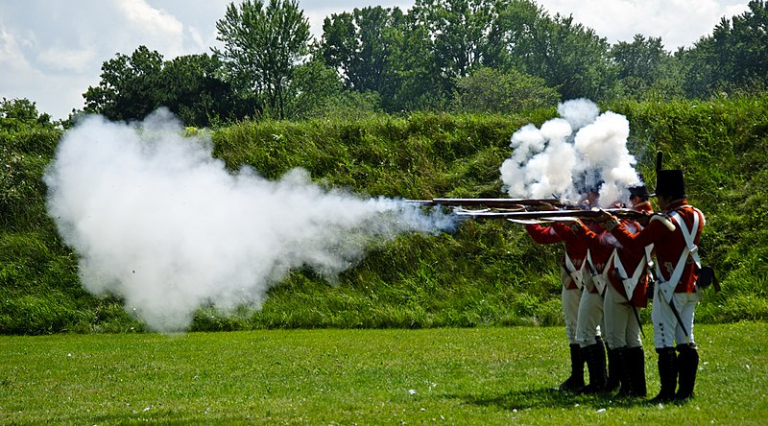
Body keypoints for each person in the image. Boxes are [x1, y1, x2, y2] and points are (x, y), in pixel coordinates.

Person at [599, 162, 705, 402]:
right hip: (689, 285)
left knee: (664, 340)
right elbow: (670, 236)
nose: (657, 202)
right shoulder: (697, 215)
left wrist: (614, 226)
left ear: (666, 197)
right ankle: (685, 392)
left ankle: (667, 393)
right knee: (686, 339)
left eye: (660, 198)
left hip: (669, 285)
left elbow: (636, 247)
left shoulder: (663, 220)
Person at [570, 181, 653, 397]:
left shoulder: (634, 221)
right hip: (632, 282)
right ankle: (635, 388)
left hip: (621, 283)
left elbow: (605, 242)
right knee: (630, 338)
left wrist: (586, 229)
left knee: (616, 339)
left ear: (632, 199)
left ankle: (627, 388)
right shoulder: (647, 219)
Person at [524, 220, 586, 392]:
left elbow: (569, 233)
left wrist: (554, 215)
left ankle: (599, 379)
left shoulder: (583, 221)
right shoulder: (573, 220)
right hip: (575, 277)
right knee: (575, 329)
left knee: (589, 330)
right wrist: (528, 218)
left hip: (584, 275)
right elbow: (542, 236)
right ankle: (580, 377)